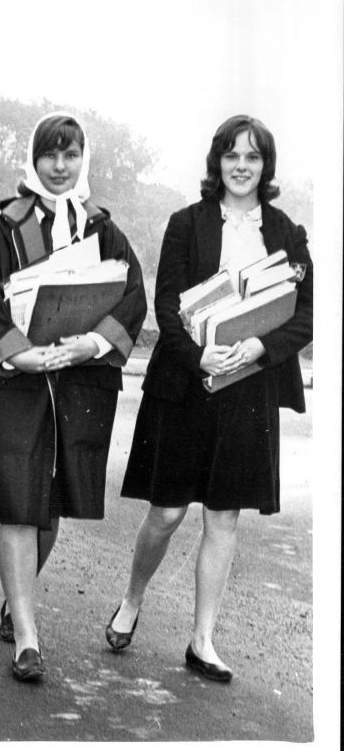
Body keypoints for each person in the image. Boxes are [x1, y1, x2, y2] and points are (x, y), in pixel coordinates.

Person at [106, 116, 312, 682]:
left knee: (224, 517)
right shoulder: (185, 223)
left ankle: (202, 640)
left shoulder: (288, 234)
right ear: (216, 162)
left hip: (249, 389)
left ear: (265, 167)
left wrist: (257, 349)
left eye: (252, 157)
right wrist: (199, 355)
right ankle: (132, 598)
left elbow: (306, 317)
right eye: (231, 155)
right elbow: (166, 304)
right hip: (188, 383)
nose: (241, 166)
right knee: (168, 511)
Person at [0, 112, 146, 681]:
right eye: (50, 153)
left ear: (82, 160)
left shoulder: (103, 227)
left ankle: (15, 599)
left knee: (51, 502)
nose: (59, 165)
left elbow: (132, 297)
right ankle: (27, 635)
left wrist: (90, 345)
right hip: (17, 379)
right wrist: (20, 353)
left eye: (70, 154)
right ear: (34, 158)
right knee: (19, 503)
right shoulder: (6, 221)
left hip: (76, 378)